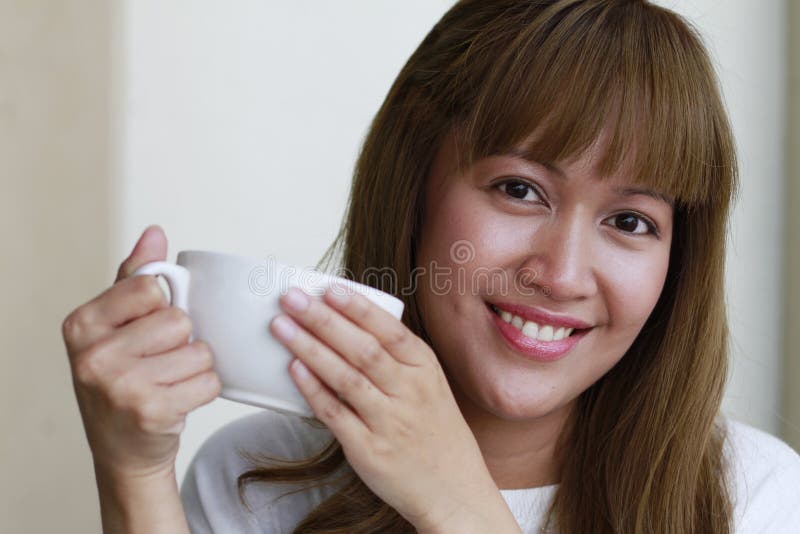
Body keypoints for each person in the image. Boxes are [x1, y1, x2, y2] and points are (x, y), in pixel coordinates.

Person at [62, 1, 800, 532]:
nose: (563, 273)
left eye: (630, 222)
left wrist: (454, 502)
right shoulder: (257, 475)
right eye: (519, 190)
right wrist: (131, 471)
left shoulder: (755, 498)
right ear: (413, 186)